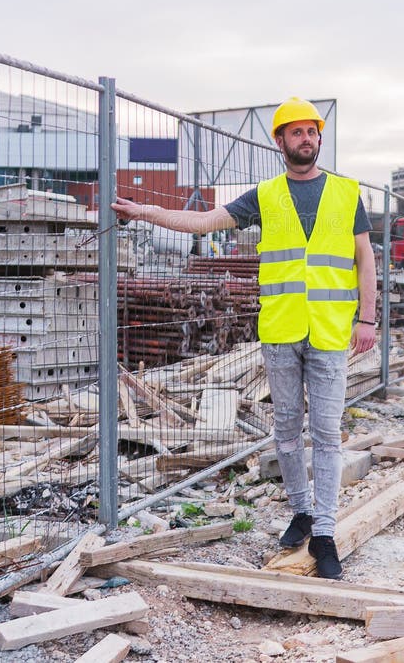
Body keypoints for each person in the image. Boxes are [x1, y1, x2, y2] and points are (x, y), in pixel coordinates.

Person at [112, 97, 377, 579]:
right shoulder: (265, 196)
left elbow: (365, 259)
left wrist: (369, 319)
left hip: (332, 331)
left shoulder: (345, 193)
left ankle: (324, 531)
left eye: (312, 131)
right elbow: (201, 221)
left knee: (327, 435)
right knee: (287, 433)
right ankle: (300, 511)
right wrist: (145, 210)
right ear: (280, 142)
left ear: (320, 137)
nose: (306, 139)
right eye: (296, 133)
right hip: (280, 331)